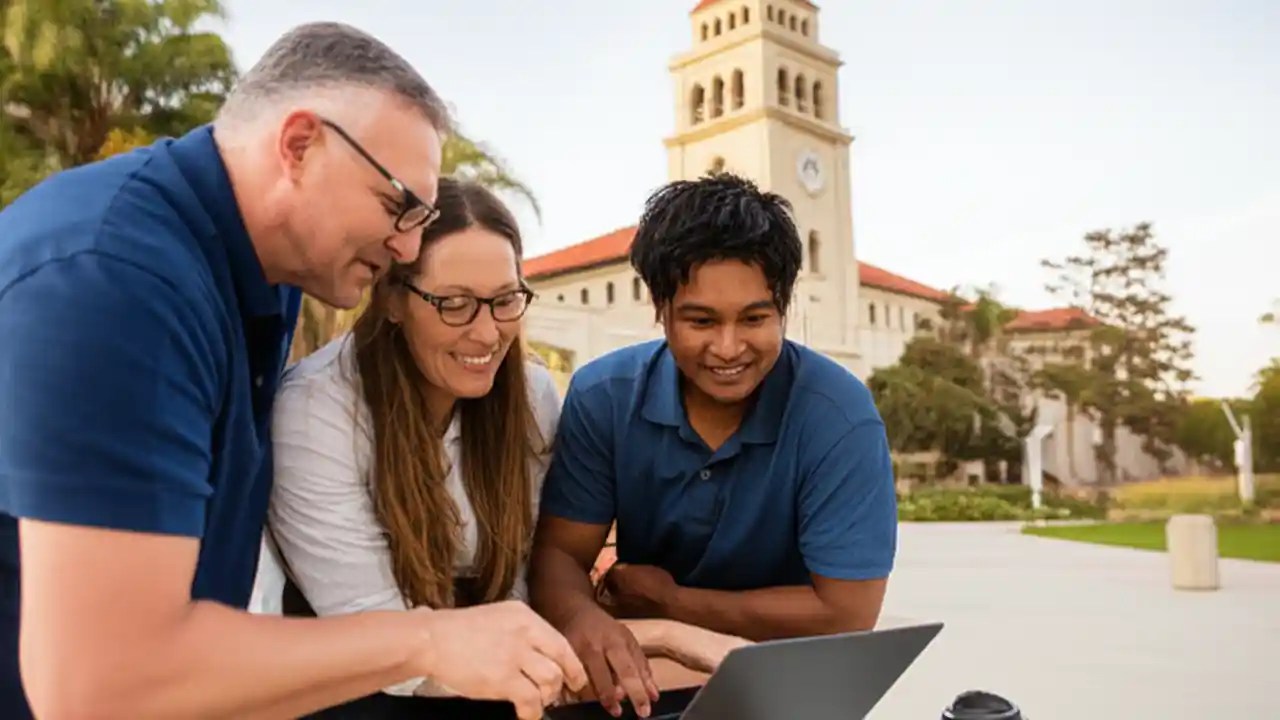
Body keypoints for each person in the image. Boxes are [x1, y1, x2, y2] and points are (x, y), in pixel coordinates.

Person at [0, 22, 583, 720]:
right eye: (399, 205)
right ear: (300, 145)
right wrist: (428, 639)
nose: (406, 247)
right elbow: (106, 682)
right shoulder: (119, 284)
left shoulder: (259, 273)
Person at [259, 178, 747, 715]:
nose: (488, 334)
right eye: (455, 304)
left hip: (487, 679)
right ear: (395, 300)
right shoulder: (318, 412)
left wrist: (644, 640)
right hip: (358, 688)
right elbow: (379, 637)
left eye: (505, 300)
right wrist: (656, 634)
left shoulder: (531, 395)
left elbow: (517, 594)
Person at [529, 173, 898, 711]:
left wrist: (674, 603)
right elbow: (561, 552)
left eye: (754, 318)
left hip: (786, 688)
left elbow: (846, 614)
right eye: (701, 320)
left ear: (784, 308)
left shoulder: (839, 417)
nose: (729, 348)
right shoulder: (603, 395)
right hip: (641, 681)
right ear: (660, 309)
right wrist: (582, 617)